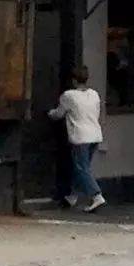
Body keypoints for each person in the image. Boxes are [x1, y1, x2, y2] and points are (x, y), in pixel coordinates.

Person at [49, 67, 104, 212]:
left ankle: (97, 196)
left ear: (73, 80)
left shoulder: (69, 96)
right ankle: (72, 197)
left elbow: (58, 114)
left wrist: (49, 113)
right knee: (82, 167)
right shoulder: (94, 94)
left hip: (80, 136)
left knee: (81, 168)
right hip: (95, 134)